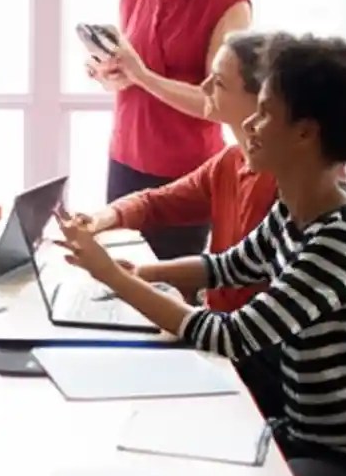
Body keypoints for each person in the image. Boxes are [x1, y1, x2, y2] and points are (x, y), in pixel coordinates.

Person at [56, 34, 346, 476]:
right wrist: (142, 275)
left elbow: (229, 335)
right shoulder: (296, 210)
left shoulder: (339, 239)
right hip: (306, 437)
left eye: (266, 113)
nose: (249, 124)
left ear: (305, 134)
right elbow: (224, 267)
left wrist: (112, 277)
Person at [91, 0, 251, 260]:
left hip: (187, 175)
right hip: (125, 160)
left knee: (172, 299)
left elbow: (218, 105)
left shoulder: (228, 1)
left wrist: (141, 74)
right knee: (118, 290)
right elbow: (129, 76)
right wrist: (110, 73)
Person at [78, 31, 280, 313]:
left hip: (233, 336)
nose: (205, 87)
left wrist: (128, 278)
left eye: (218, 82)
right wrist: (99, 219)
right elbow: (156, 202)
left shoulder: (288, 182)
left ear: (261, 100)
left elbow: (242, 280)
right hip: (216, 321)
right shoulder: (230, 161)